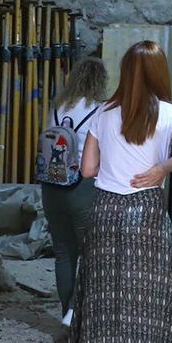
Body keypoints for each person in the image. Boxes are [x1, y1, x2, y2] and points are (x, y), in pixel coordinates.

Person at [62, 40, 172, 343]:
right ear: (160, 73)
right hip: (144, 213)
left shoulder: (103, 113)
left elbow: (87, 169)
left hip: (105, 211)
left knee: (97, 299)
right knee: (140, 308)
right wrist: (161, 168)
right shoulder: (171, 113)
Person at [41, 56, 109, 322]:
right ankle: (79, 315)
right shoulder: (100, 111)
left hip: (51, 186)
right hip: (83, 187)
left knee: (63, 253)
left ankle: (66, 312)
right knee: (90, 253)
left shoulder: (57, 108)